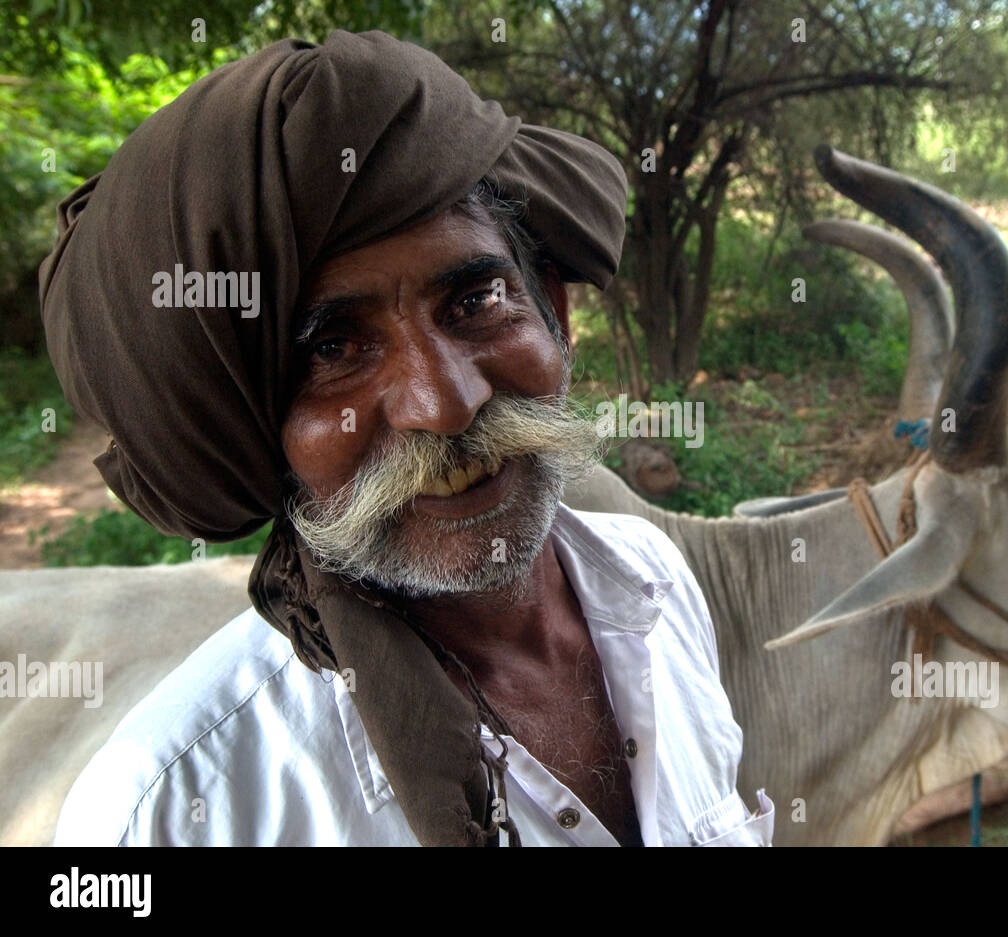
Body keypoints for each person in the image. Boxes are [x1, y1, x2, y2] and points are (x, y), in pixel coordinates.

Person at [41, 29, 772, 846]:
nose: (447, 403)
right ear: (256, 430)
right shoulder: (171, 809)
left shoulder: (658, 586)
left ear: (557, 318)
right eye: (334, 350)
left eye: (475, 302)